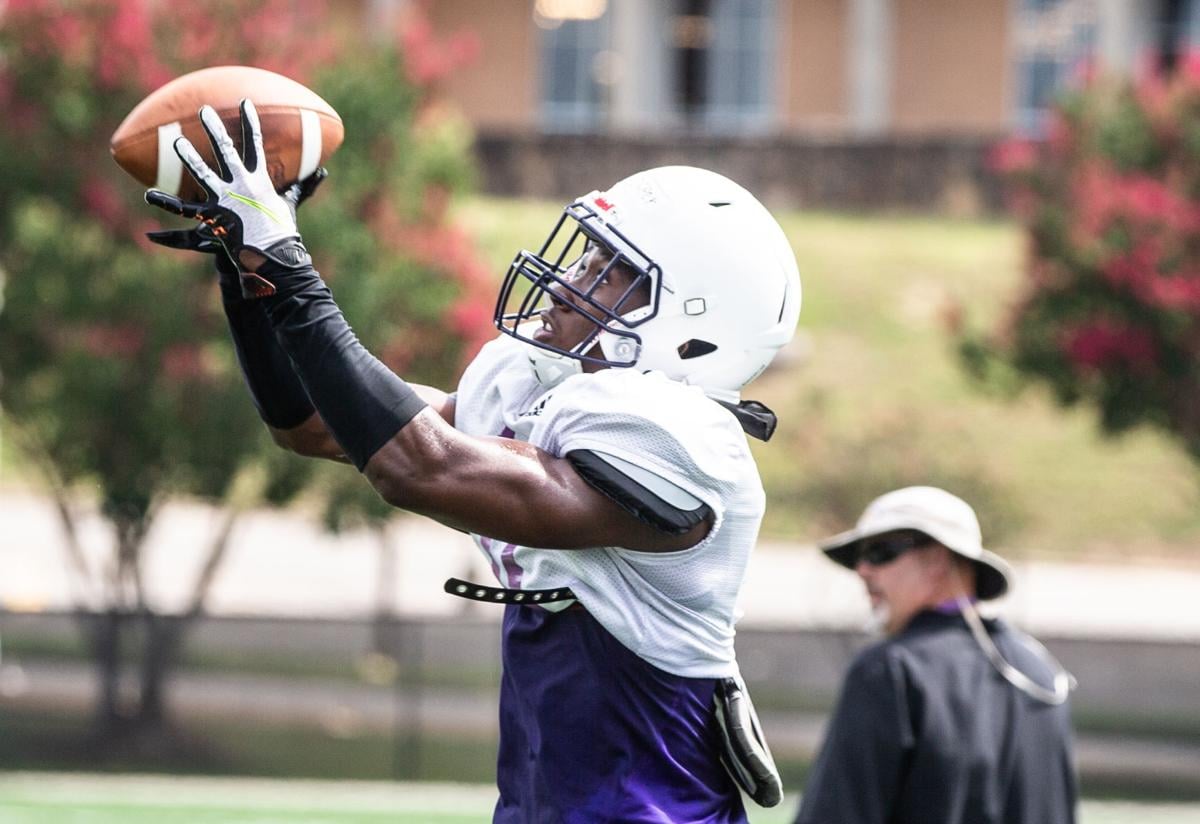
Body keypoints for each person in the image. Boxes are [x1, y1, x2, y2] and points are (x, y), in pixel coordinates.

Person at [144, 101, 801, 821]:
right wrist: (249, 276)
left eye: (609, 273)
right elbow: (311, 425)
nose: (567, 281)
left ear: (691, 323)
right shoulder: (539, 390)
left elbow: (418, 468)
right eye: (587, 254)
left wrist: (289, 267)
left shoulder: (683, 443)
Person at [794, 486, 1079, 824]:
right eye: (860, 557)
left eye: (880, 552)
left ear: (938, 559)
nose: (863, 570)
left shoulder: (891, 670)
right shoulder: (1040, 673)